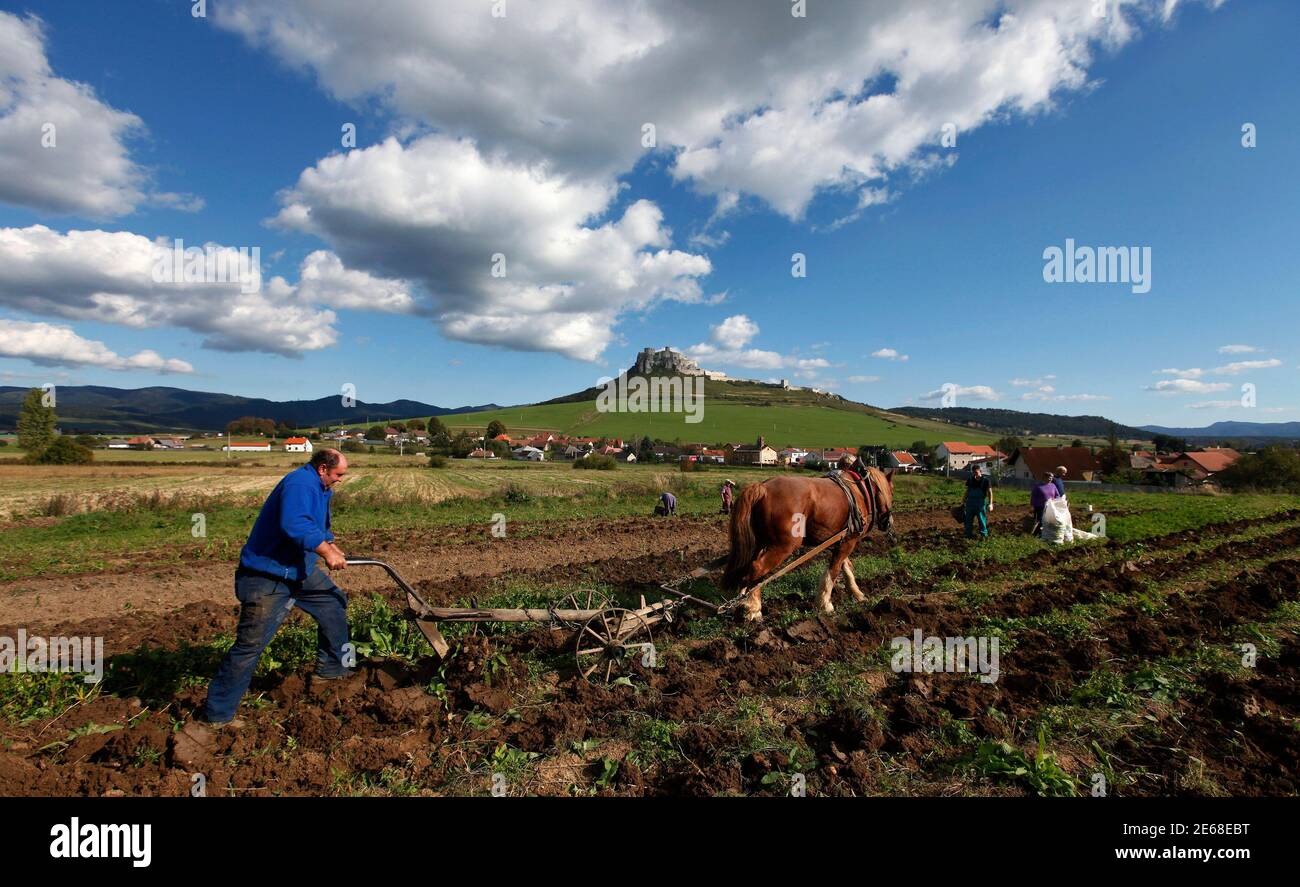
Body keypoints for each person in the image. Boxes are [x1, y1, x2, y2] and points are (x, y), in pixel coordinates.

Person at [201, 448, 352, 726]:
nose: (340, 479)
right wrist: (326, 553)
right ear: (322, 468)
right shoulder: (299, 484)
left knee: (333, 602)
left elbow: (317, 525)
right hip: (267, 574)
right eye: (338, 474)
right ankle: (217, 715)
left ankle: (330, 670)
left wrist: (331, 545)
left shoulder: (321, 487)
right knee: (250, 645)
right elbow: (294, 523)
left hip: (298, 568)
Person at [963, 463, 994, 539]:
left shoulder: (986, 481)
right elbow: (967, 491)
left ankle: (984, 535)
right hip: (970, 503)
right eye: (973, 473)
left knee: (981, 520)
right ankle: (968, 534)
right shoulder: (970, 479)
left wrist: (990, 504)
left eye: (976, 472)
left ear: (980, 471)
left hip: (980, 504)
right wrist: (963, 500)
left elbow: (990, 492)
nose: (975, 474)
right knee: (968, 520)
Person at [1030, 470, 1059, 536]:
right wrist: (1032, 506)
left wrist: (1056, 501)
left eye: (1052, 478)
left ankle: (1045, 533)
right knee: (1040, 520)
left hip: (1050, 507)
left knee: (1049, 520)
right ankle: (1037, 534)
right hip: (1040, 507)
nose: (1051, 479)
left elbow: (1057, 495)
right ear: (1044, 477)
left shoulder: (1053, 485)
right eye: (1049, 477)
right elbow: (1033, 496)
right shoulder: (1038, 486)